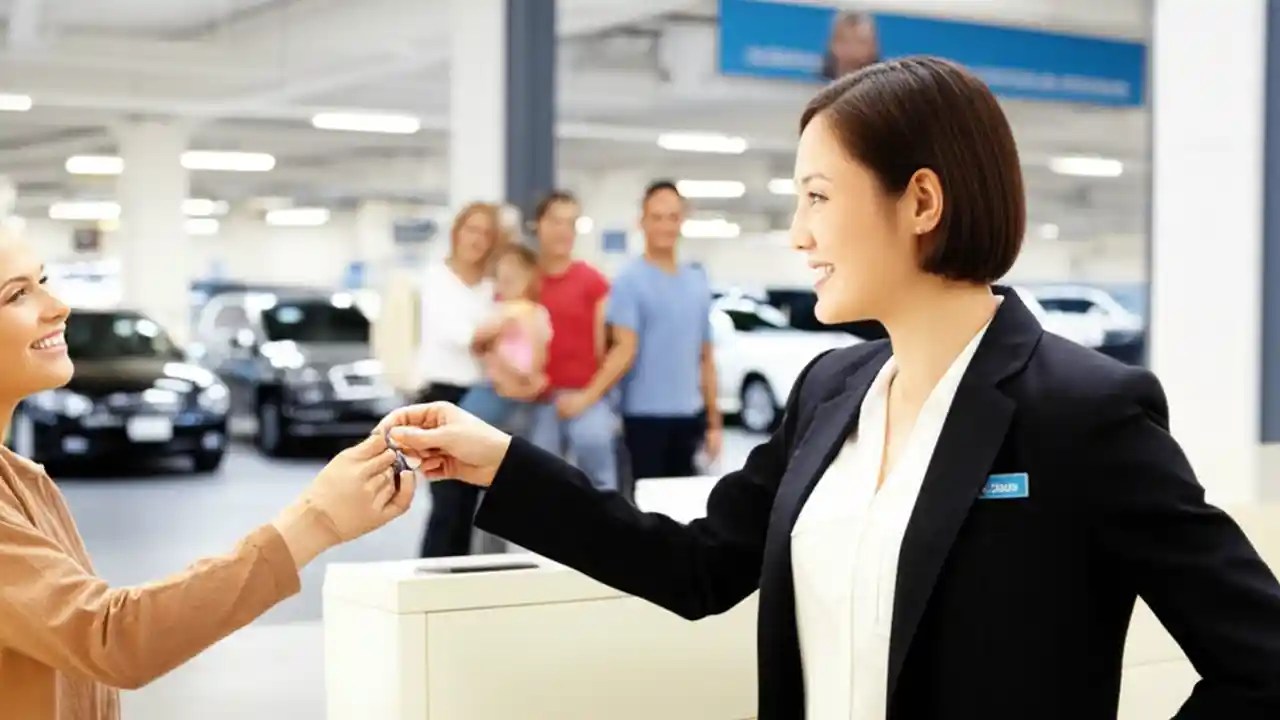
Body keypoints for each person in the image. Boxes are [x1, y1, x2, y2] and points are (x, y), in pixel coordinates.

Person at [378, 57, 1280, 719]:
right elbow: (697, 567)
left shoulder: (1083, 412)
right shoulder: (832, 390)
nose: (797, 235)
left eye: (816, 196)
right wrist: (500, 461)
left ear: (921, 203)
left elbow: (1259, 658)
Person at [0, 228, 416, 720]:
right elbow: (112, 638)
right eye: (18, 294)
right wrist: (316, 521)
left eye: (44, 280)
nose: (58, 306)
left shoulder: (23, 479)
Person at [608, 181, 722, 481]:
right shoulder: (629, 280)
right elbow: (623, 350)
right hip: (642, 418)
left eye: (672, 217)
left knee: (684, 512)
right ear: (642, 222)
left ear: (682, 221)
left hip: (689, 417)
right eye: (657, 217)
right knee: (645, 515)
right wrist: (589, 399)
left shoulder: (697, 281)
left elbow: (706, 358)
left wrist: (714, 422)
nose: (665, 225)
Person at [411, 201, 503, 557]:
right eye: (472, 230)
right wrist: (505, 325)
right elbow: (466, 336)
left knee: (472, 506)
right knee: (448, 502)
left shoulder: (491, 287)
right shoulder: (435, 279)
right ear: (456, 233)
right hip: (442, 398)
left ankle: (461, 587)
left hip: (484, 399)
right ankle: (430, 585)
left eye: (486, 233)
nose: (478, 240)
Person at [528, 190, 631, 492]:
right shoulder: (524, 280)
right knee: (537, 479)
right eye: (556, 221)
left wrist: (587, 397)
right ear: (538, 225)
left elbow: (616, 348)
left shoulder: (593, 282)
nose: (563, 231)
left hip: (588, 395)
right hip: (536, 399)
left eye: (570, 223)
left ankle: (605, 534)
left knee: (596, 456)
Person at [458, 243, 552, 427]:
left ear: (530, 278)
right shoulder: (496, 311)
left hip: (523, 393)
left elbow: (539, 355)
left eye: (515, 274)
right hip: (496, 388)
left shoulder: (535, 313)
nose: (508, 275)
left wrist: (527, 378)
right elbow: (478, 343)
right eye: (503, 276)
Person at [821, 10, 880, 80]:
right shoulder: (813, 84)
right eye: (845, 41)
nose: (853, 49)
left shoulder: (888, 87)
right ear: (833, 44)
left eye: (860, 42)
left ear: (873, 47)